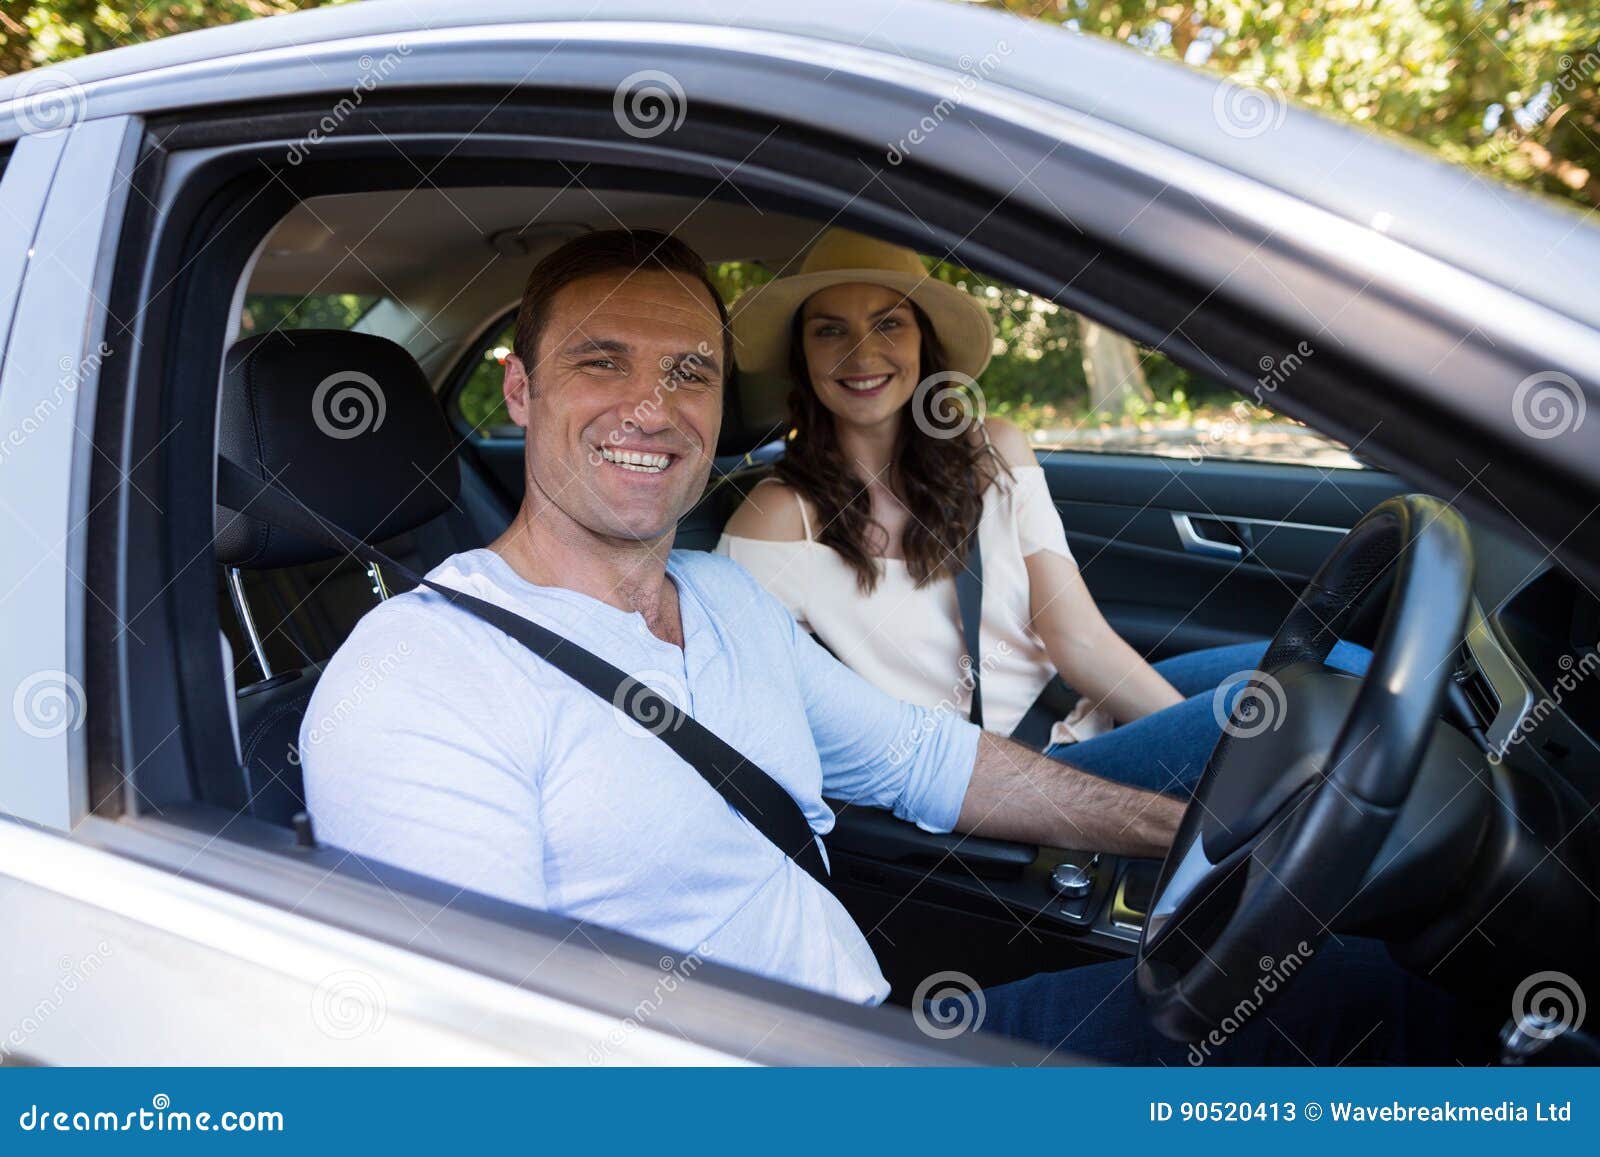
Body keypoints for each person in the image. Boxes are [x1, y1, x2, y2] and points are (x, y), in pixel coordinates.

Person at [299, 228, 1461, 1063]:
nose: (651, 406)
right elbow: (471, 1059)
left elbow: (927, 760)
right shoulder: (415, 676)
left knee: (1344, 986)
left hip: (883, 1024)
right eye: (603, 360)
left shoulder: (721, 597)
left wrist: (1199, 835)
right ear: (518, 389)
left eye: (689, 369)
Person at [719, 228, 1370, 796]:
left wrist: (1195, 744)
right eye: (829, 329)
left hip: (1075, 713)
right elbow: (761, 721)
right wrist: (1211, 754)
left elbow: (1076, 636)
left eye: (889, 321)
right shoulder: (776, 518)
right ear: (802, 357)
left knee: (1334, 670)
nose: (861, 353)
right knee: (1301, 723)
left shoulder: (991, 448)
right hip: (1003, 779)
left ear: (924, 342)